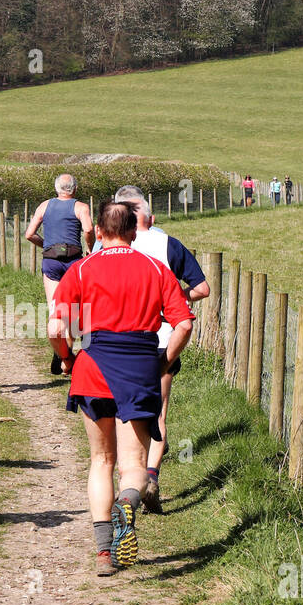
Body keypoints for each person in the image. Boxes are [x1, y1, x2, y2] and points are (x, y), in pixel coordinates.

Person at [49, 202, 194, 576]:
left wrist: (66, 358)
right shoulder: (156, 269)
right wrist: (162, 363)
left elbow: (57, 327)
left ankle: (103, 555)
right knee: (133, 466)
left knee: (101, 461)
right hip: (140, 366)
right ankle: (129, 501)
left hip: (94, 365)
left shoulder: (81, 270)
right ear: (134, 232)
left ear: (98, 232)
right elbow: (184, 325)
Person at [111, 185, 210, 513]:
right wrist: (178, 297)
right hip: (164, 339)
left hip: (118, 340)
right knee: (159, 412)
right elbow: (202, 288)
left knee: (121, 413)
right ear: (148, 217)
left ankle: (128, 481)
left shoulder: (108, 247)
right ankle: (150, 476)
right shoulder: (169, 245)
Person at [24, 173, 93, 373]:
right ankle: (66, 358)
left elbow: (29, 234)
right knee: (73, 309)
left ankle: (63, 354)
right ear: (75, 189)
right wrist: (89, 249)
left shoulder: (44, 206)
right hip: (74, 262)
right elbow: (88, 229)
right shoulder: (81, 207)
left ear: (56, 189)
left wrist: (45, 245)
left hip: (51, 261)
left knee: (56, 310)